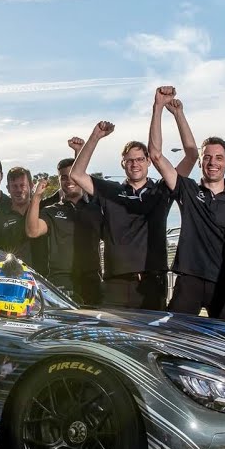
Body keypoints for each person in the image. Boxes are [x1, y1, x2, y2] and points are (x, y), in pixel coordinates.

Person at [146, 86, 225, 317]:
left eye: (219, 158)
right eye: (208, 158)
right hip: (189, 279)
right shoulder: (188, 190)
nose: (213, 162)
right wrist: (159, 107)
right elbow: (155, 155)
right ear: (201, 162)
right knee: (175, 341)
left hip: (224, 281)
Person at [69, 120, 171, 309]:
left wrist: (159, 108)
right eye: (130, 160)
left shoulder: (161, 191)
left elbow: (185, 159)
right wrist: (95, 136)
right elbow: (77, 174)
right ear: (123, 163)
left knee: (151, 337)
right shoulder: (111, 190)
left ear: (148, 161)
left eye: (140, 159)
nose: (135, 164)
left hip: (152, 282)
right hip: (115, 283)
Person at [25, 157, 104, 304]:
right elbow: (32, 231)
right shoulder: (51, 211)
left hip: (92, 281)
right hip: (61, 281)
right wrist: (36, 197)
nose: (69, 181)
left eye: (73, 177)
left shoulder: (96, 209)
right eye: (64, 178)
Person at [0, 166, 45, 269]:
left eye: (22, 185)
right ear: (8, 189)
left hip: (42, 279)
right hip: (11, 278)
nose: (19, 190)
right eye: (14, 186)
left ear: (31, 186)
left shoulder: (43, 211)